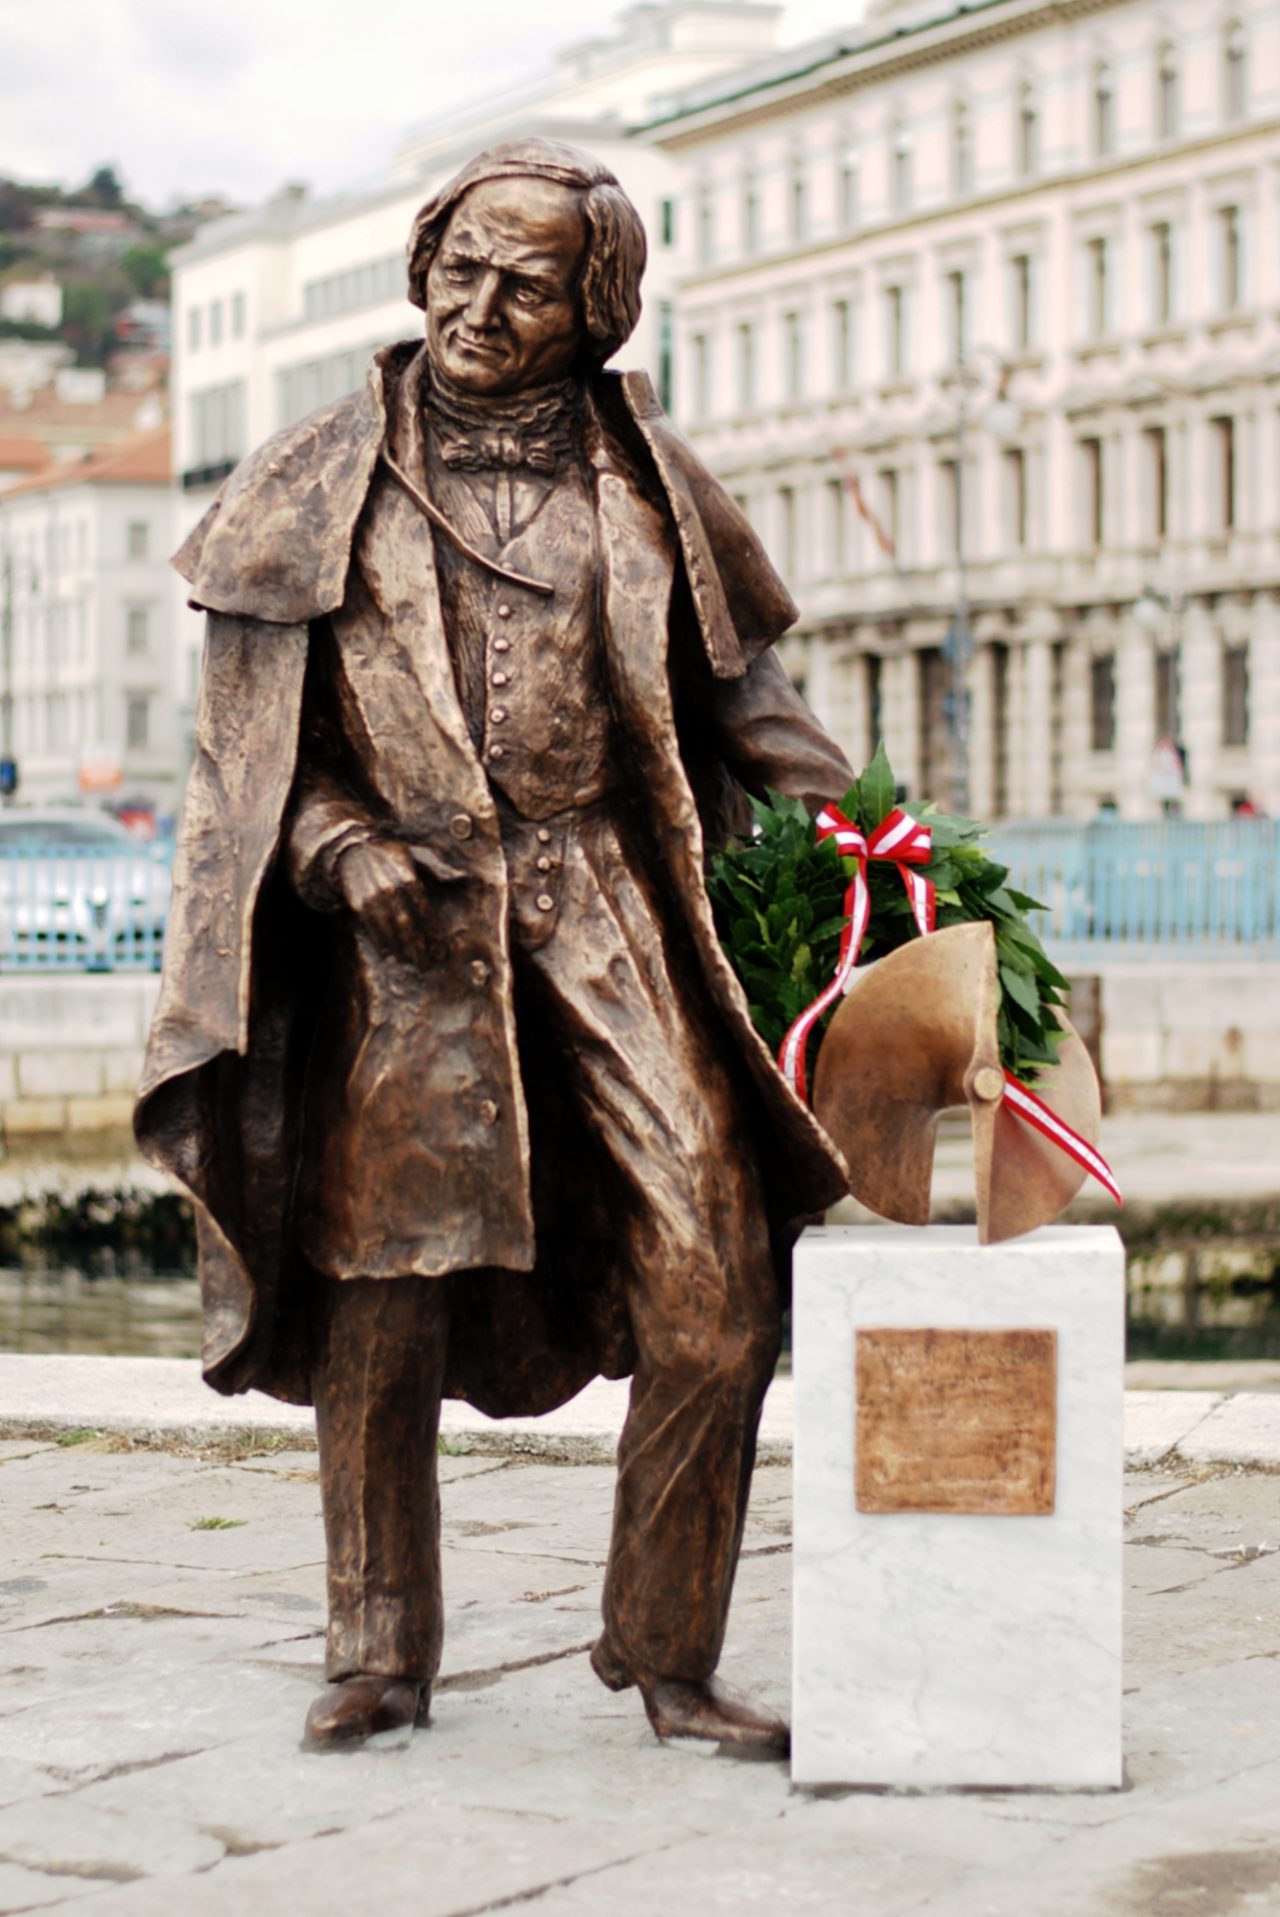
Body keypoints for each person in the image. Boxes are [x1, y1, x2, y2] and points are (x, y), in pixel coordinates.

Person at [136, 139, 853, 1755]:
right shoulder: (317, 474)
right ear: (422, 259)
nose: (479, 303)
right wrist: (337, 846)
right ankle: (379, 1643)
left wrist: (894, 855)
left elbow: (752, 709)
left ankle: (667, 1648)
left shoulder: (652, 480)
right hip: (407, 924)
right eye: (461, 264)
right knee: (381, 1287)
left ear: (592, 307)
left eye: (525, 282)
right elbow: (250, 754)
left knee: (718, 1274)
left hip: (608, 906)